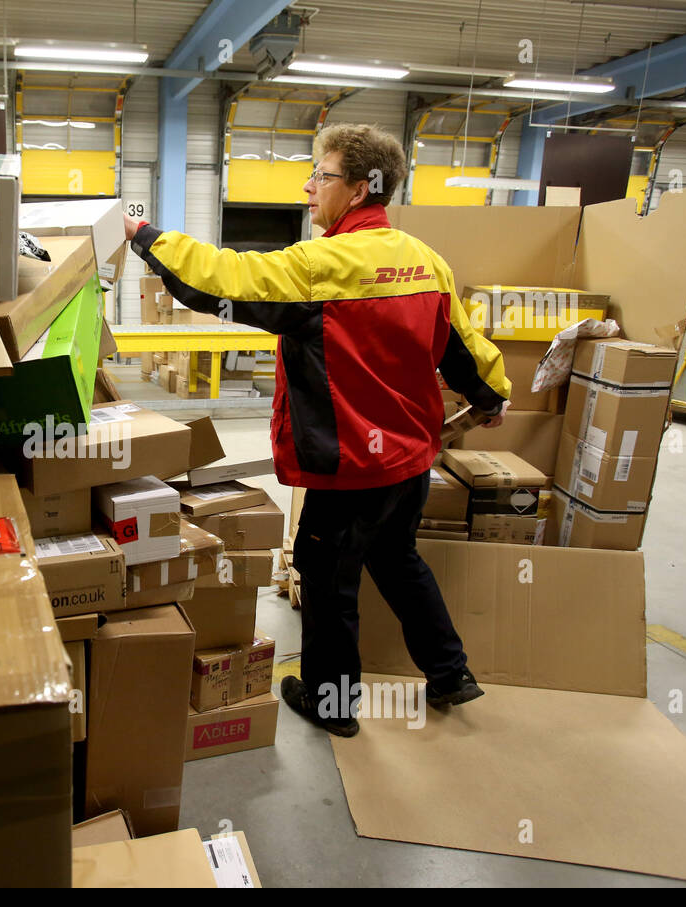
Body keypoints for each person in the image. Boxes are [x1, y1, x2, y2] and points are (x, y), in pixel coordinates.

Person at [123, 122, 511, 737]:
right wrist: (492, 395)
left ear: (359, 189)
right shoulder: (424, 261)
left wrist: (145, 236)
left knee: (330, 585)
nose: (308, 188)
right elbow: (464, 350)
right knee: (400, 561)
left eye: (321, 176)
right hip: (409, 464)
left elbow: (219, 280)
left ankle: (333, 707)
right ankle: (450, 673)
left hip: (347, 469)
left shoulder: (318, 267)